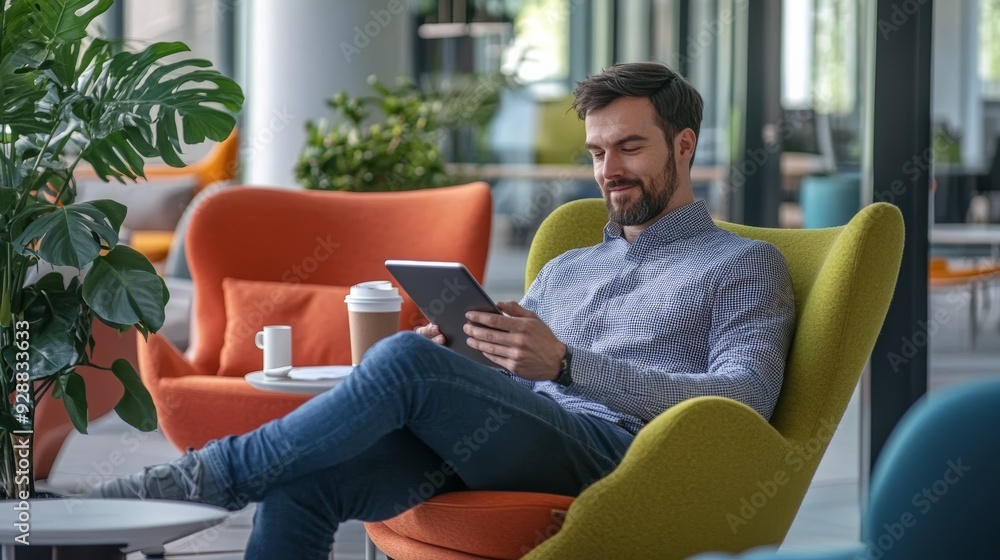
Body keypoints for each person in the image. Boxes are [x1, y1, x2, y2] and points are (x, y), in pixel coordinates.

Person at [97, 62, 795, 559]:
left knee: (401, 358)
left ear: (684, 144)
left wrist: (570, 364)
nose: (609, 168)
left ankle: (199, 480)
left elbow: (742, 400)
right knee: (306, 483)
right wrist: (469, 354)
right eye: (597, 151)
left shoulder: (742, 266)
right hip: (507, 435)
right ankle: (220, 476)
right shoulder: (569, 264)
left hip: (619, 453)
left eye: (630, 147)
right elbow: (524, 375)